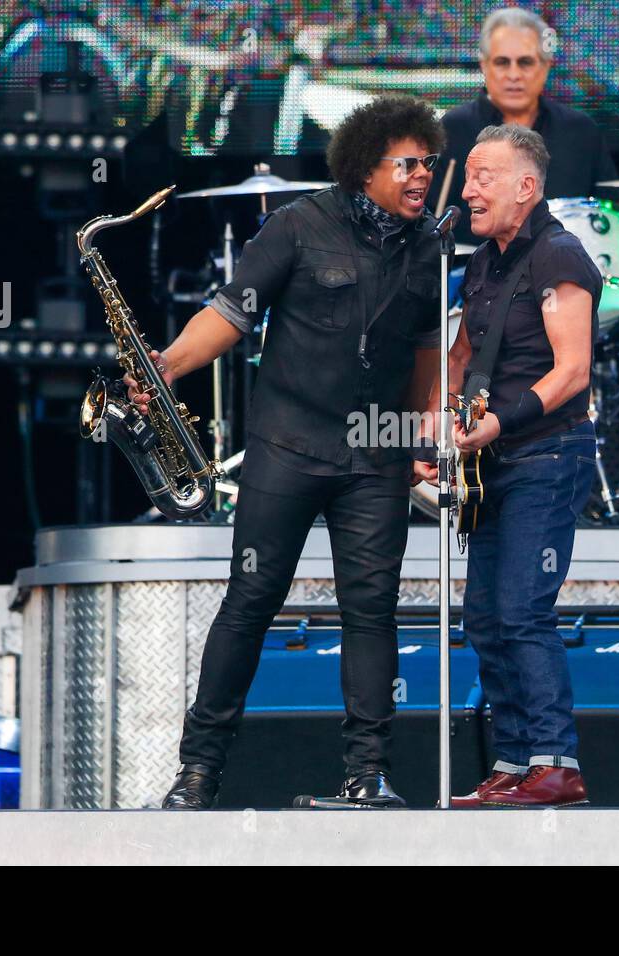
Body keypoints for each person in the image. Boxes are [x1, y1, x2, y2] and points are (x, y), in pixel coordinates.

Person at [132, 95, 447, 809]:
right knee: (251, 599)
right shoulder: (298, 226)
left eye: (429, 161)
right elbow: (230, 313)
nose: (423, 174)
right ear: (367, 167)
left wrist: (420, 431)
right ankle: (199, 770)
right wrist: (168, 367)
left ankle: (367, 775)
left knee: (373, 608)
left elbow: (425, 350)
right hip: (288, 445)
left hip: (374, 456)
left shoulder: (429, 243)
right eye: (408, 163)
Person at [415, 124, 600, 807]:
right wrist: (437, 418)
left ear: (527, 186)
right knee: (485, 618)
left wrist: (498, 421)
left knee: (523, 609)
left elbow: (572, 369)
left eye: (482, 176)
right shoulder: (484, 263)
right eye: (466, 177)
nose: (466, 190)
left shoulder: (559, 256)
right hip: (491, 462)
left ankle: (558, 763)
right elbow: (460, 354)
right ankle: (515, 762)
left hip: (547, 455)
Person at [432, 6, 617, 244]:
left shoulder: (581, 131)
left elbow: (614, 214)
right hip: (470, 276)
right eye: (502, 62)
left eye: (525, 62)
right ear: (484, 65)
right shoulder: (451, 129)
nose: (514, 74)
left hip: (565, 275)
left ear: (546, 65)